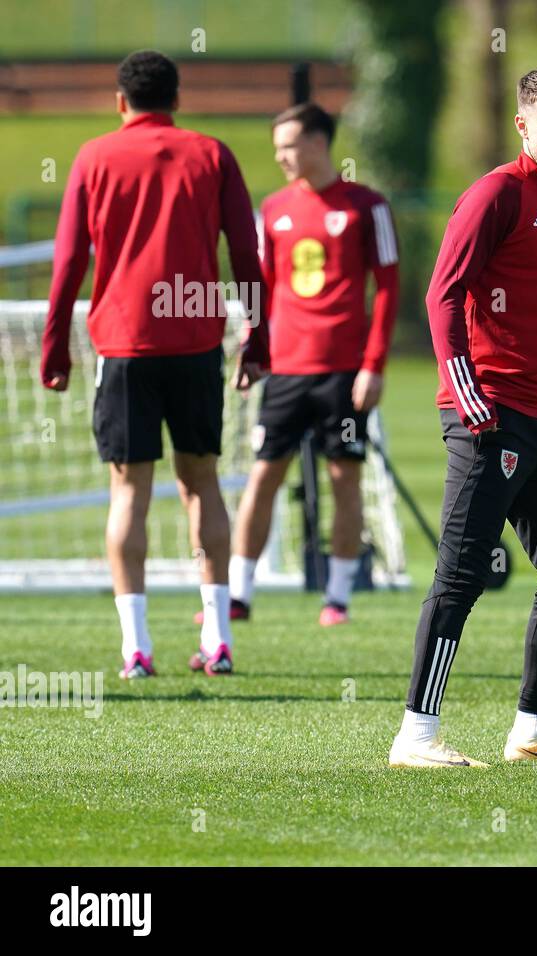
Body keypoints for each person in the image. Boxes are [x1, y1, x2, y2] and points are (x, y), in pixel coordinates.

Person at [388, 68, 537, 770]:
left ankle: (532, 729)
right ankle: (416, 736)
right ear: (524, 125)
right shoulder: (496, 195)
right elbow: (443, 296)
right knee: (460, 575)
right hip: (486, 417)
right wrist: (467, 388)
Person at [41, 50, 266, 679]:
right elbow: (246, 252)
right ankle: (218, 639)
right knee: (203, 484)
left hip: (125, 346)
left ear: (121, 102)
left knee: (128, 491)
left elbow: (67, 263)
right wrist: (260, 337)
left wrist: (54, 346)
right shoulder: (212, 154)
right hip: (195, 343)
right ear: (176, 98)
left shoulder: (93, 157)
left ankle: (136, 648)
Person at [218, 102, 399, 628]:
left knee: (345, 477)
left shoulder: (369, 207)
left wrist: (374, 365)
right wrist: (255, 347)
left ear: (319, 143)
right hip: (286, 372)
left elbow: (388, 288)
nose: (281, 157)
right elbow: (263, 287)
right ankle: (239, 594)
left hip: (344, 372)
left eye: (289, 146)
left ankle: (337, 597)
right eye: (276, 148)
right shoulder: (271, 209)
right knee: (263, 476)